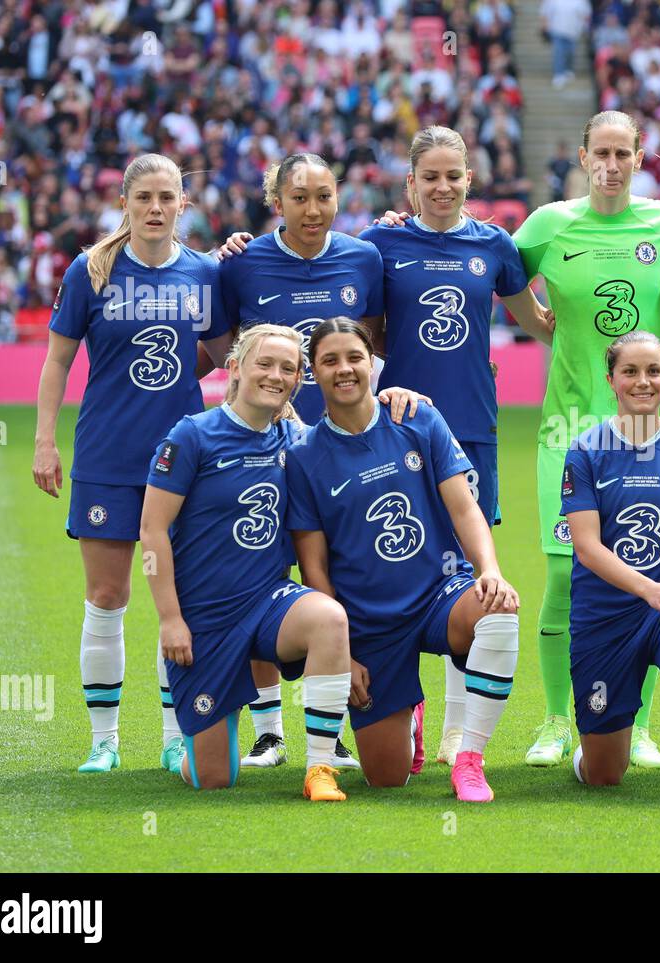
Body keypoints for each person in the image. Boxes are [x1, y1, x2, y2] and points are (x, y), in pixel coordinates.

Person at [360, 126, 553, 766]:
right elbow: (364, 336)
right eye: (430, 177)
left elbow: (537, 322)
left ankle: (453, 730)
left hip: (472, 428)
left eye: (454, 176)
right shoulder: (381, 243)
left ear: (469, 179)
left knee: (465, 571)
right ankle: (402, 705)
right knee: (404, 559)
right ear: (410, 183)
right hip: (397, 430)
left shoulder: (493, 245)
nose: (442, 187)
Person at [515, 110, 660, 769]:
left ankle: (640, 727)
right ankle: (555, 719)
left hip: (656, 431)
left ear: (640, 156)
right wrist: (543, 327)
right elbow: (503, 274)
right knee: (566, 573)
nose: (613, 164)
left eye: (625, 152)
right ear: (584, 155)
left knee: (654, 573)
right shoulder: (548, 225)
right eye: (602, 152)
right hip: (568, 429)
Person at [33, 152, 231, 775]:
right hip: (108, 457)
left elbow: (228, 356)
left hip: (184, 462)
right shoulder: (91, 271)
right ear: (125, 202)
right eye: (143, 197)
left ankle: (175, 736)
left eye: (166, 198)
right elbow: (59, 362)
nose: (155, 208)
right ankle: (105, 739)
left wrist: (174, 387)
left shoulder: (203, 274)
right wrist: (44, 440)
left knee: (181, 598)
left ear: (182, 205)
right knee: (108, 595)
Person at [286, 319, 521, 803]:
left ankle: (469, 761)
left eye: (354, 357)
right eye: (329, 360)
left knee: (498, 610)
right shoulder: (305, 456)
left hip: (441, 592)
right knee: (386, 779)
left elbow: (463, 507)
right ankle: (409, 709)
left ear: (372, 362)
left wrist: (490, 571)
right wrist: (342, 654)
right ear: (313, 371)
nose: (344, 369)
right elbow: (315, 569)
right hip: (370, 622)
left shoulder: (417, 418)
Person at [215, 152, 384, 768]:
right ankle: (267, 731)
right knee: (257, 576)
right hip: (262, 453)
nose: (313, 210)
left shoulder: (364, 257)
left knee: (335, 582)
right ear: (276, 201)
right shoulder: (242, 263)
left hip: (339, 456)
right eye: (299, 197)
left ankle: (328, 726)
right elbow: (217, 349)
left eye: (324, 196)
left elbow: (372, 345)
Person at [140, 324, 352, 801]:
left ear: (298, 380)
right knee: (214, 778)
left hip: (269, 603)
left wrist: (403, 399)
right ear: (235, 368)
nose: (275, 375)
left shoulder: (298, 439)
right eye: (264, 363)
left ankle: (320, 767)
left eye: (287, 368)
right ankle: (185, 742)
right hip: (207, 618)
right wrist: (171, 620)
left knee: (328, 619)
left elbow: (360, 436)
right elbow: (152, 532)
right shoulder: (192, 435)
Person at [563, 332, 660, 800]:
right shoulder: (585, 450)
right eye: (630, 372)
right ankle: (591, 747)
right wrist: (649, 590)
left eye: (653, 371)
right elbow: (587, 548)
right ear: (611, 380)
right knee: (604, 775)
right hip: (603, 616)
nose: (643, 381)